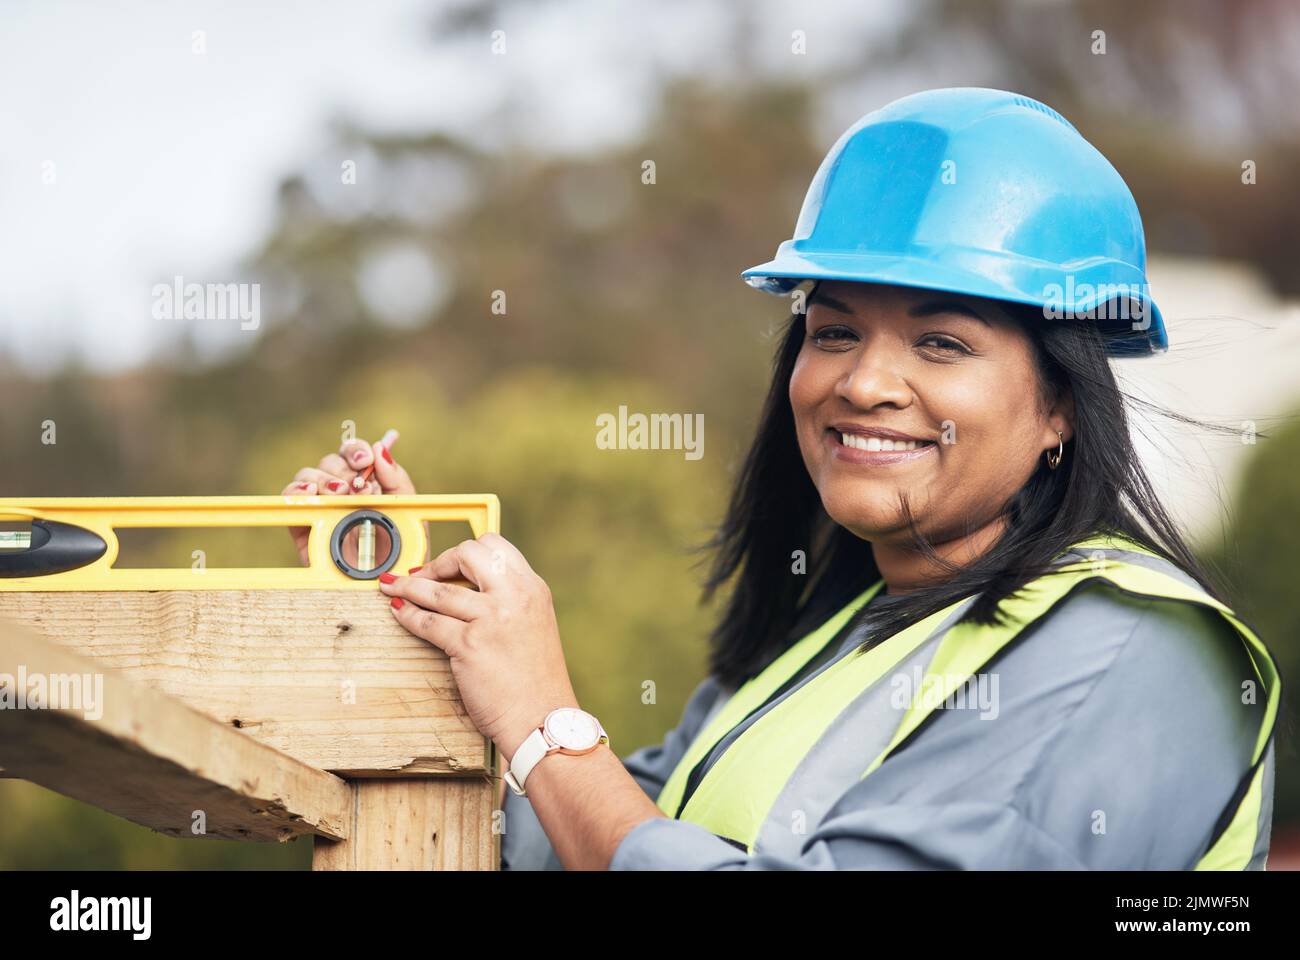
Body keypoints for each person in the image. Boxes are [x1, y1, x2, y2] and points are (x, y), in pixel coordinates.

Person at [284, 88, 1280, 870]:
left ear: (1060, 404)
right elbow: (579, 836)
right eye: (834, 329)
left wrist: (551, 720)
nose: (865, 382)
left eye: (940, 341)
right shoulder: (830, 639)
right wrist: (395, 598)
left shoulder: (1127, 653)